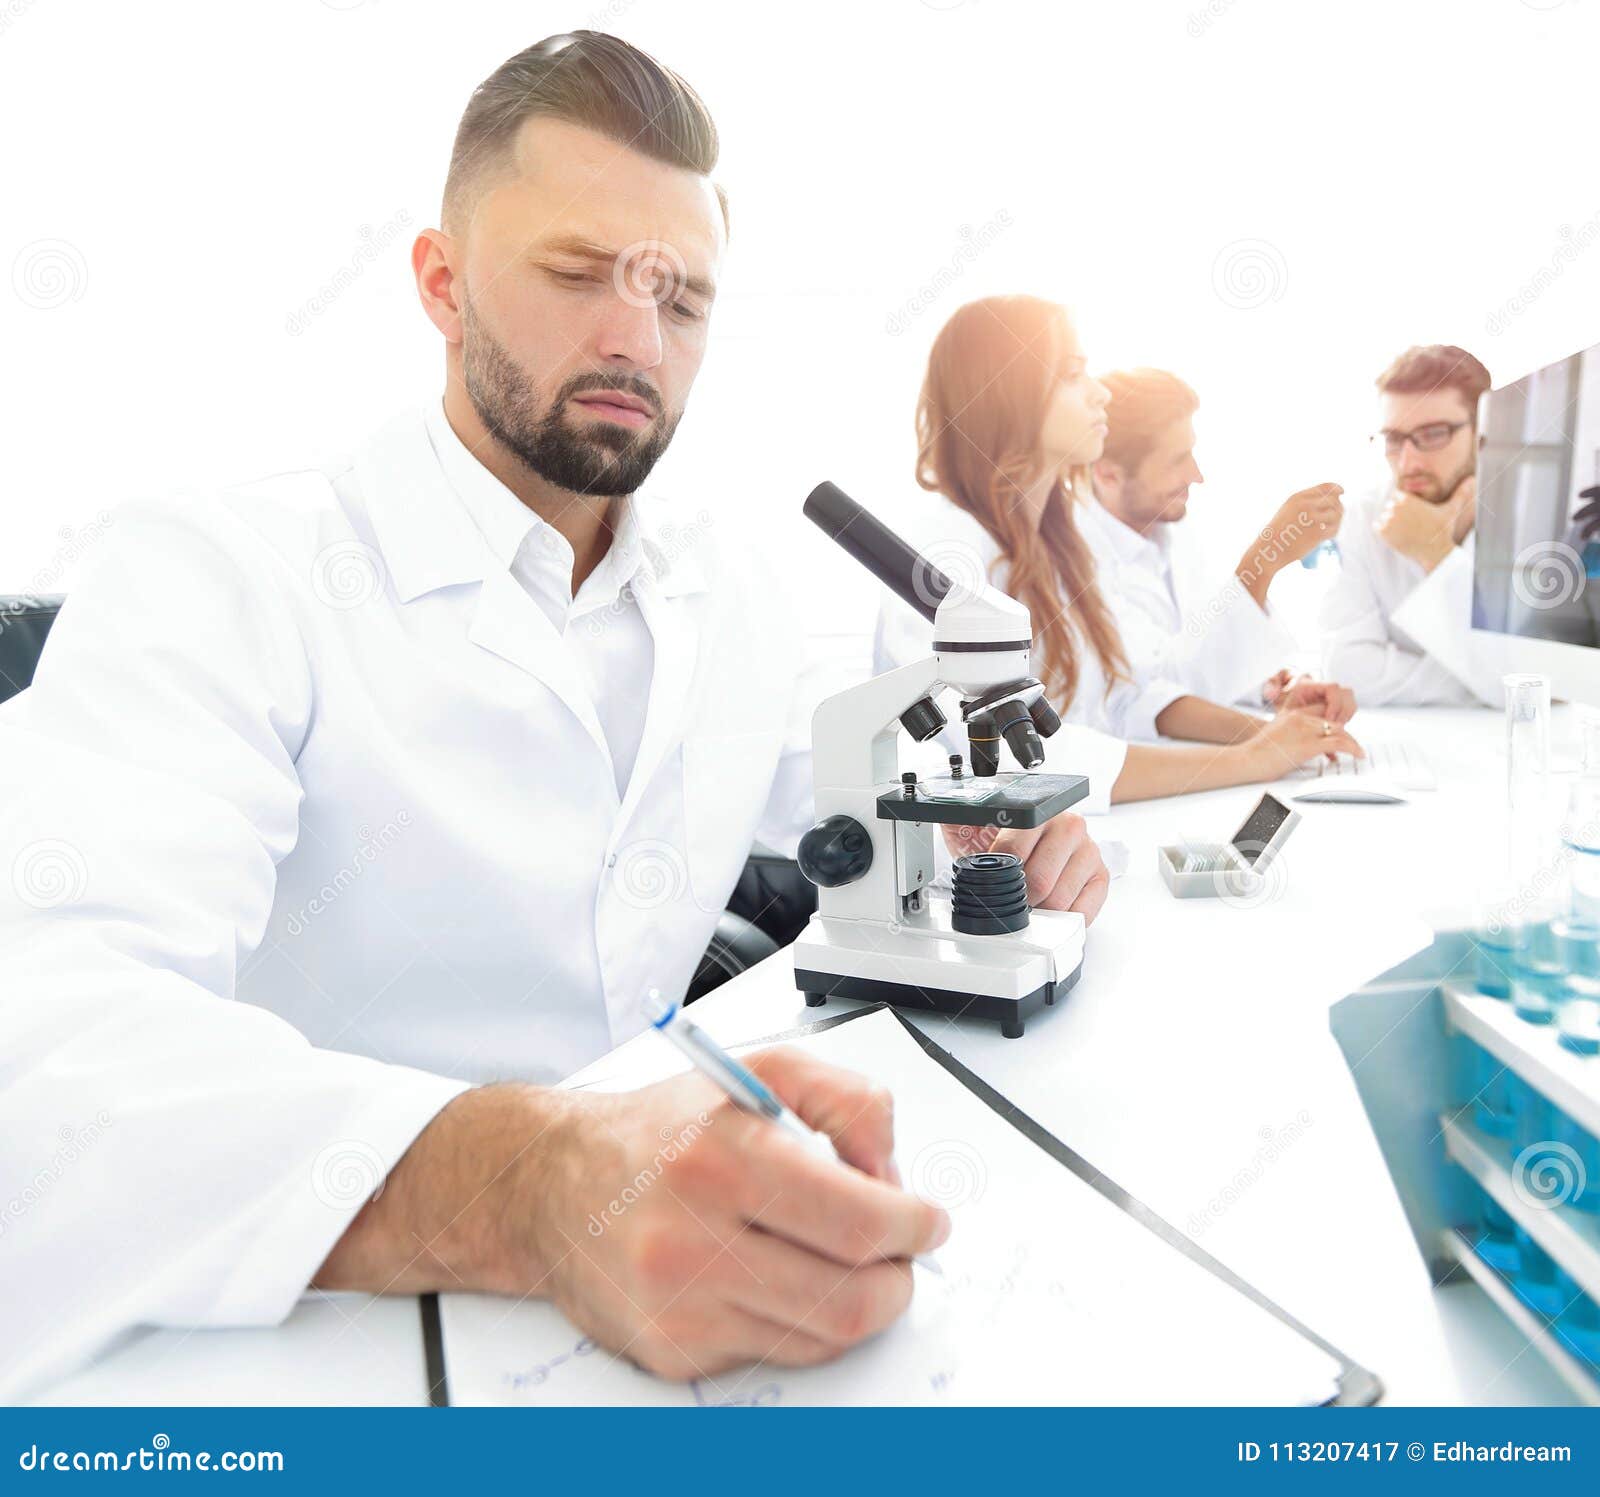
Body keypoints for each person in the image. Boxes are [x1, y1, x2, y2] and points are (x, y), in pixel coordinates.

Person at [0, 33, 1111, 1397]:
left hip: (676, 1305)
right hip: (314, 1341)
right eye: (579, 274)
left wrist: (988, 852)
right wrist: (529, 1190)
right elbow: (41, 1052)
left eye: (684, 300)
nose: (635, 339)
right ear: (440, 280)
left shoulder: (733, 592)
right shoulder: (219, 575)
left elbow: (846, 801)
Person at [875, 295, 1362, 805]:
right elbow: (1010, 766)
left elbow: (1124, 699)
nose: (1101, 393)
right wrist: (1253, 759)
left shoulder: (1058, 550)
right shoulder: (949, 559)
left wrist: (1268, 733)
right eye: (1072, 374)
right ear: (1003, 397)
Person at [1082, 367, 1354, 723]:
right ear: (1107, 473)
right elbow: (1150, 697)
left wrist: (1270, 691)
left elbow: (1198, 654)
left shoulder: (1173, 530)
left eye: (1191, 453)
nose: (1196, 475)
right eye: (1177, 459)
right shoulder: (1075, 560)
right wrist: (1263, 561)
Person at [1319, 344, 1495, 704]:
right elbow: (1347, 669)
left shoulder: (1529, 516)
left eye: (1433, 434)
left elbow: (1548, 678)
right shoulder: (1363, 516)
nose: (1408, 462)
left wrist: (1435, 554)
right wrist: (1484, 682)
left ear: (1482, 432)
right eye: (1394, 439)